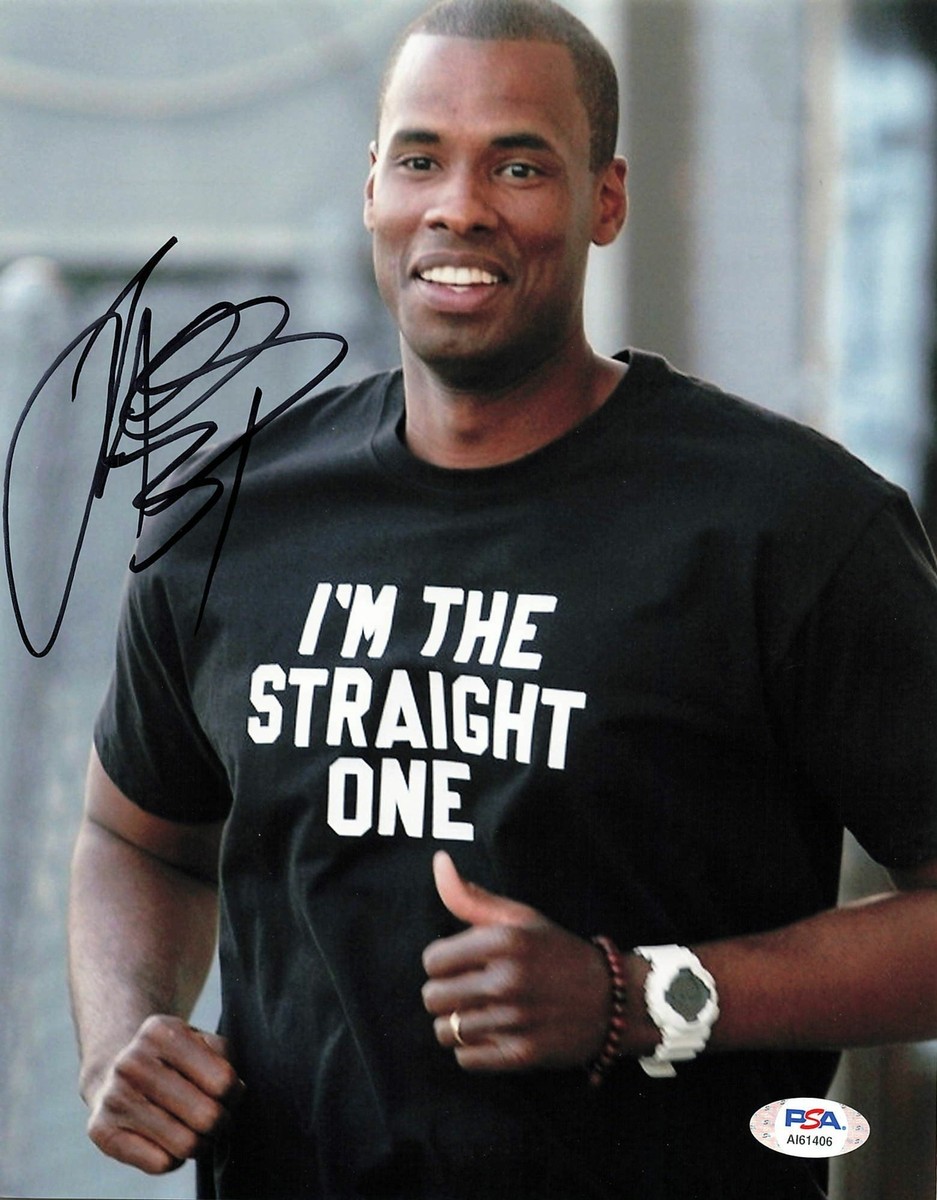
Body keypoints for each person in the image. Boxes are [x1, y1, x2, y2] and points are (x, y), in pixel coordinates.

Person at [68, 1, 937, 1197]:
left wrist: (640, 996)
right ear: (372, 188)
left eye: (518, 165)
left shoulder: (790, 527)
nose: (459, 206)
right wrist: (123, 1033)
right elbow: (136, 837)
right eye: (420, 158)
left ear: (605, 201)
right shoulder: (228, 516)